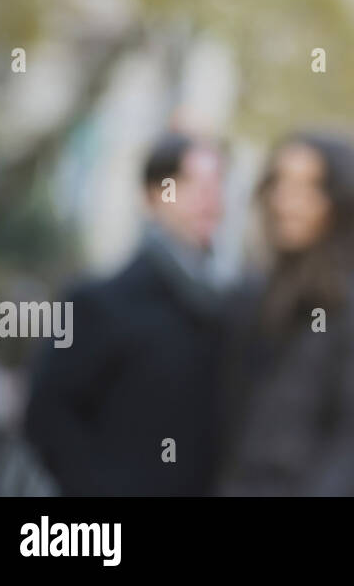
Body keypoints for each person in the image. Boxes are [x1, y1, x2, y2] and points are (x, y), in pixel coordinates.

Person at [24, 131, 227, 495]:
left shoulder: (226, 308)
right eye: (191, 183)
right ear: (153, 195)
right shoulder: (100, 302)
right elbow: (47, 416)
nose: (208, 200)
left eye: (216, 185)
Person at [216, 132, 354, 496]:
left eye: (310, 187)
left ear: (341, 202)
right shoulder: (250, 294)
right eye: (281, 183)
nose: (288, 202)